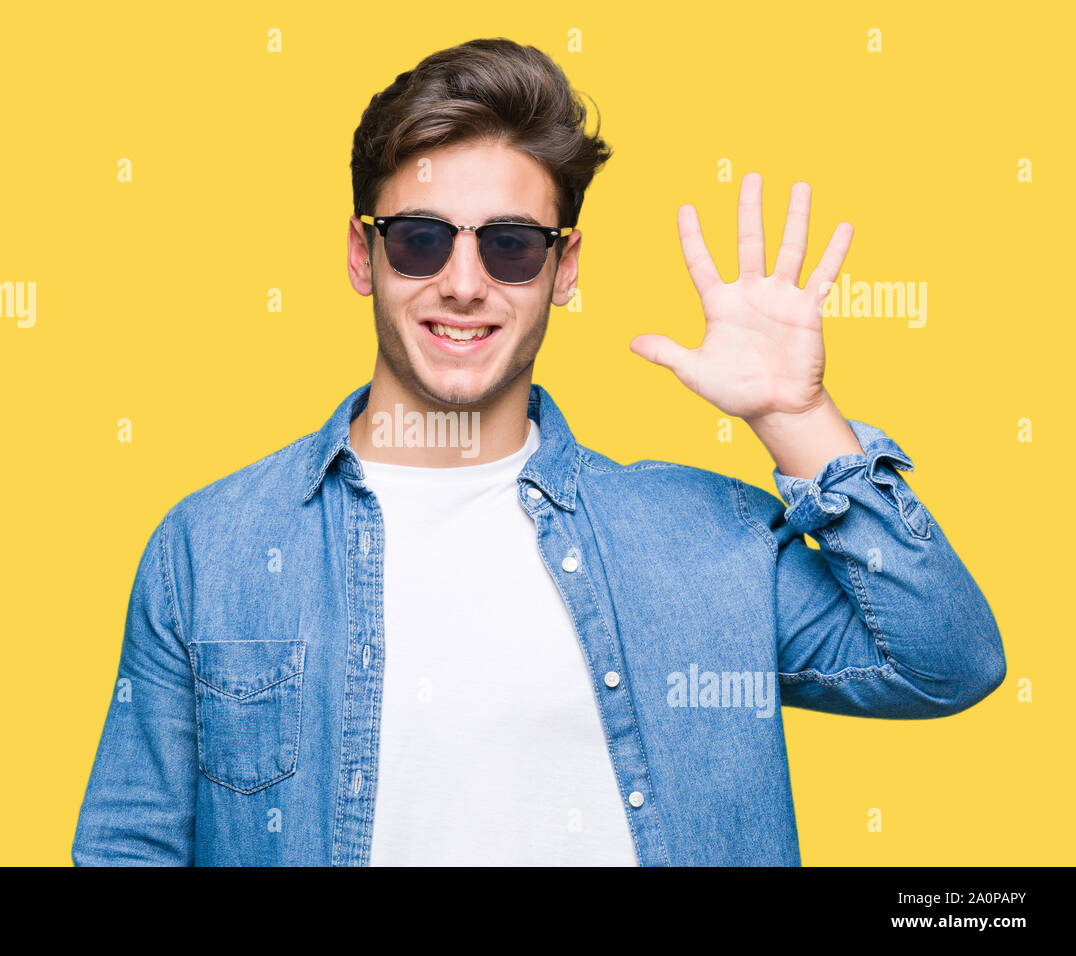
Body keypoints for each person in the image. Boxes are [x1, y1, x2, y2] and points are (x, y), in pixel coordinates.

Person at [71, 37, 1005, 866]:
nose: (465, 283)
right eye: (422, 240)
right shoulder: (214, 547)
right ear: (364, 256)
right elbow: (130, 848)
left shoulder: (700, 539)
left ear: (564, 269)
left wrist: (793, 416)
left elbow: (945, 662)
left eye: (513, 245)